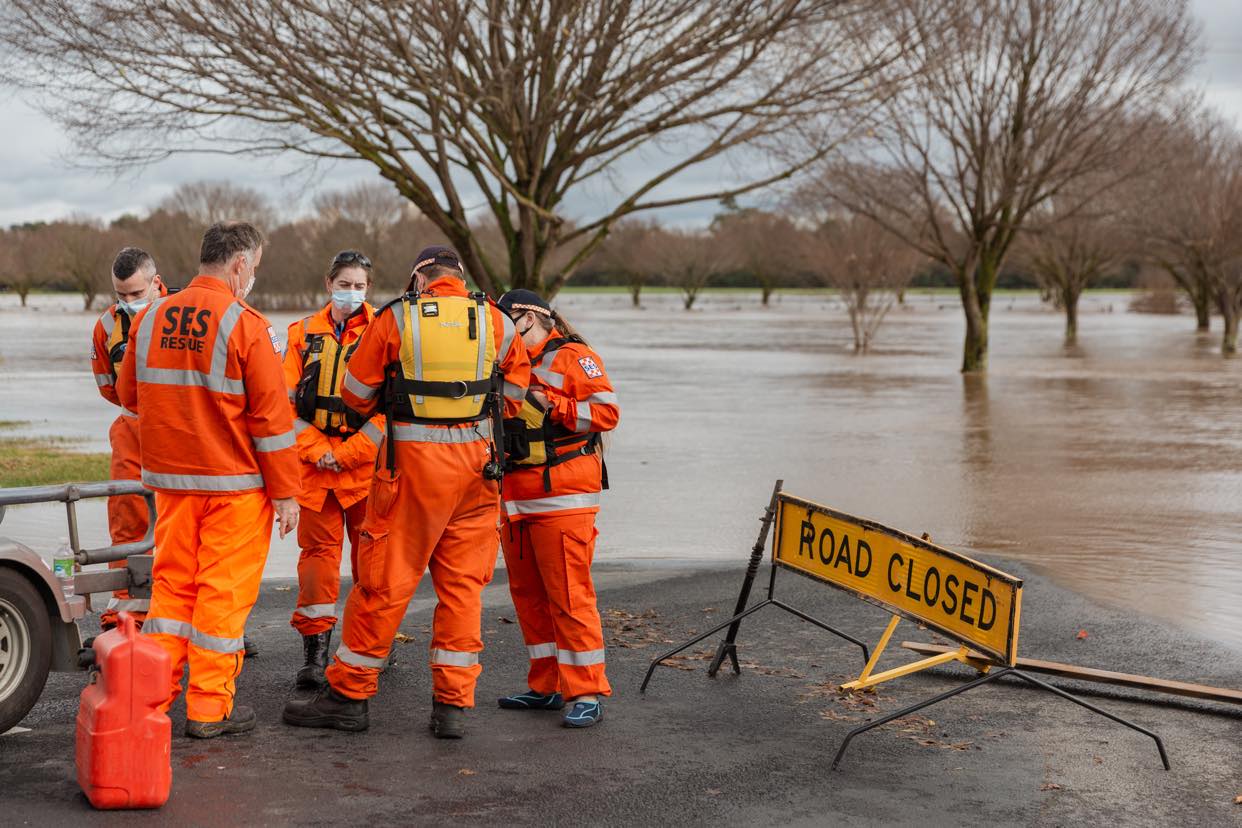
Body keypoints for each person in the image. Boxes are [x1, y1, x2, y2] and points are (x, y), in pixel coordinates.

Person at [283, 245, 530, 738]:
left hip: (411, 470)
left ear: (419, 277)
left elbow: (354, 394)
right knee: (463, 589)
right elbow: (516, 398)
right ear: (459, 276)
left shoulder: (399, 317)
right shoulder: (496, 320)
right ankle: (453, 707)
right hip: (480, 472)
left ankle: (350, 695)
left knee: (384, 581)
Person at [116, 221, 300, 739]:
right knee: (222, 595)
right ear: (239, 264)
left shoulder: (149, 318)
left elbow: (130, 397)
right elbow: (272, 420)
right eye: (255, 268)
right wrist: (287, 493)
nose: (253, 277)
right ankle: (209, 709)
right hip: (235, 487)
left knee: (171, 593)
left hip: (173, 485)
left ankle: (149, 700)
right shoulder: (245, 324)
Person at [494, 289, 619, 728]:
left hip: (563, 499)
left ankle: (586, 690)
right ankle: (546, 685)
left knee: (569, 595)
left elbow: (606, 413)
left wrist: (556, 406)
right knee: (528, 598)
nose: (502, 327)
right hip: (514, 499)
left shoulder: (574, 357)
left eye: (508, 318)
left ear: (531, 317)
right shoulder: (504, 361)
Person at [283, 250, 384, 688]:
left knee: (373, 564)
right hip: (315, 470)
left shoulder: (385, 329)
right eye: (344, 284)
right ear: (329, 284)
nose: (352, 292)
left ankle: (372, 644)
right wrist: (318, 448)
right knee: (318, 564)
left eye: (359, 285)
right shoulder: (301, 334)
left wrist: (346, 453)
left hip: (364, 470)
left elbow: (392, 411)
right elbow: (280, 407)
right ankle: (315, 654)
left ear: (369, 288)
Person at [90, 247, 167, 629]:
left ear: (156, 283)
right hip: (131, 427)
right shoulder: (106, 325)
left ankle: (194, 615)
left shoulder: (182, 316)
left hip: (176, 429)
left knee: (182, 522)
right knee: (125, 518)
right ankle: (126, 607)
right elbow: (107, 385)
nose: (130, 302)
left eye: (137, 294)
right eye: (122, 295)